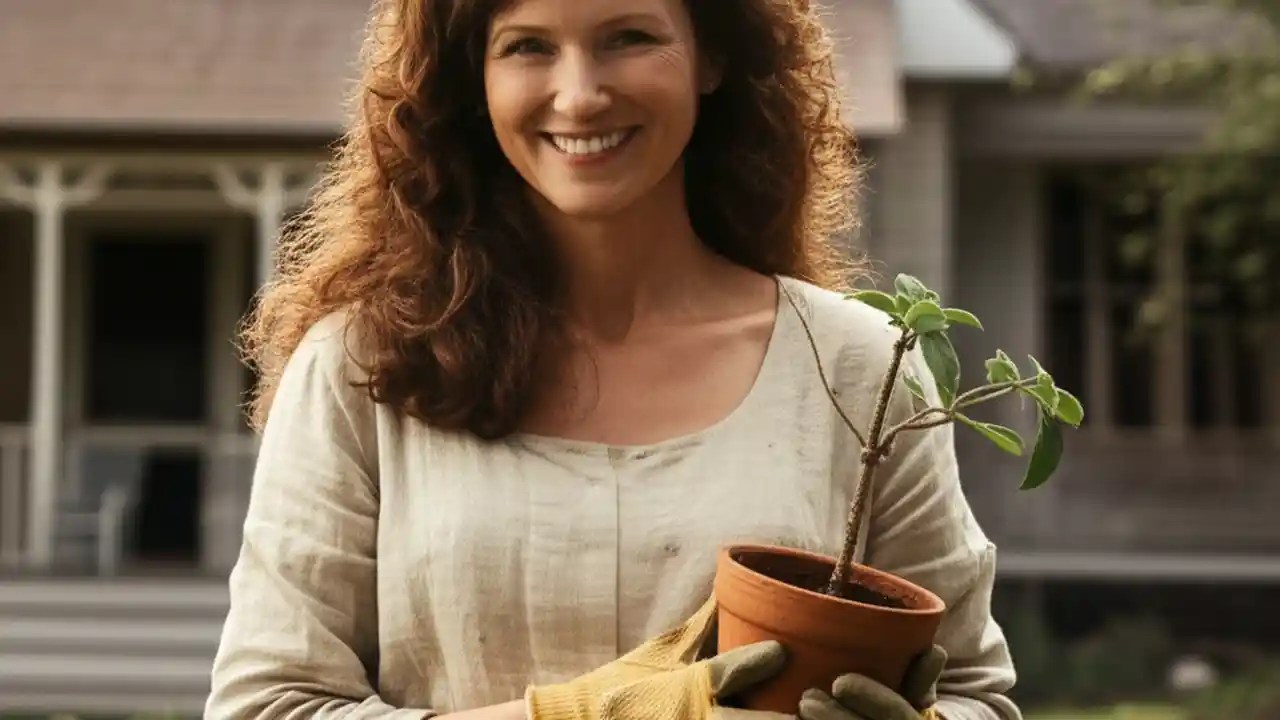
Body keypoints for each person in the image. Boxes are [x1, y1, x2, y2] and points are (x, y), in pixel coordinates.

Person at [205, 0, 1021, 718]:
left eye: (629, 36)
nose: (581, 92)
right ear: (472, 79)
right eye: (527, 46)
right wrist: (588, 715)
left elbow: (973, 692)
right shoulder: (361, 367)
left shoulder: (858, 366)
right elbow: (266, 706)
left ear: (713, 56)